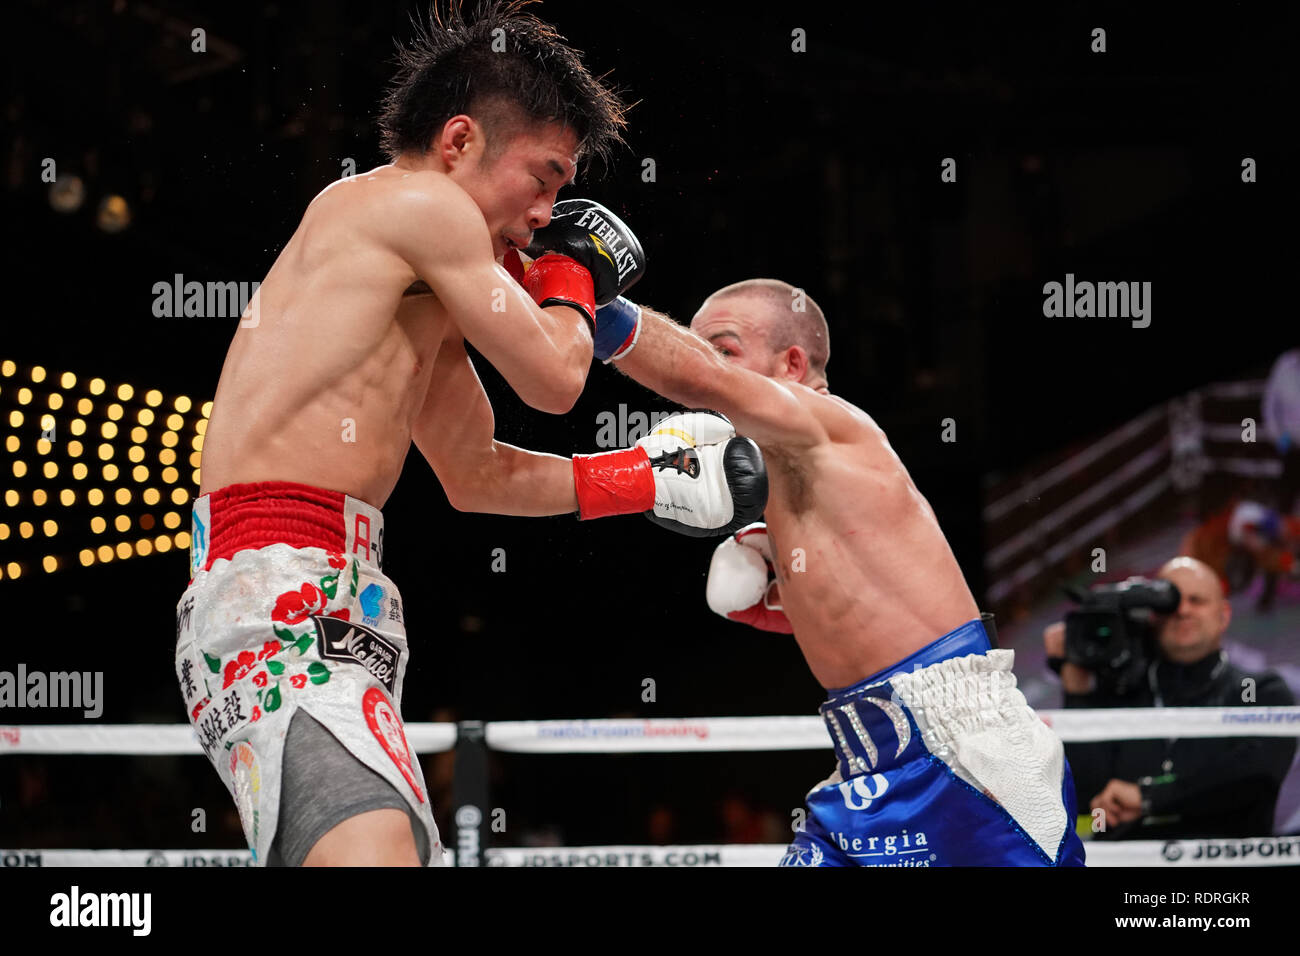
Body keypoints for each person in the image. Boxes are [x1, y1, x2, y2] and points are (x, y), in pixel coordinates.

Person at [176, 2, 763, 868]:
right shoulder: (418, 204)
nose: (548, 212)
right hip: (277, 588)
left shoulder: (413, 284)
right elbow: (557, 379)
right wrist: (572, 275)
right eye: (546, 178)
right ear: (460, 143)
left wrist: (643, 478)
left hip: (329, 591)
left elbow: (475, 474)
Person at [589, 278, 1086, 865]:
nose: (705, 369)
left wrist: (589, 300)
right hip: (865, 762)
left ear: (793, 363)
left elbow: (697, 376)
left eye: (721, 349)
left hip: (967, 757)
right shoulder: (776, 484)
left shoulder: (830, 423)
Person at [1045, 556, 1297, 839]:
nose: (1183, 611)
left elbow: (1255, 777)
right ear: (1152, 617)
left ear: (1223, 615)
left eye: (1197, 600)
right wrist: (1078, 692)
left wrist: (1148, 797)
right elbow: (1083, 799)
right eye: (1170, 603)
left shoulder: (1261, 692)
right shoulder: (1116, 696)